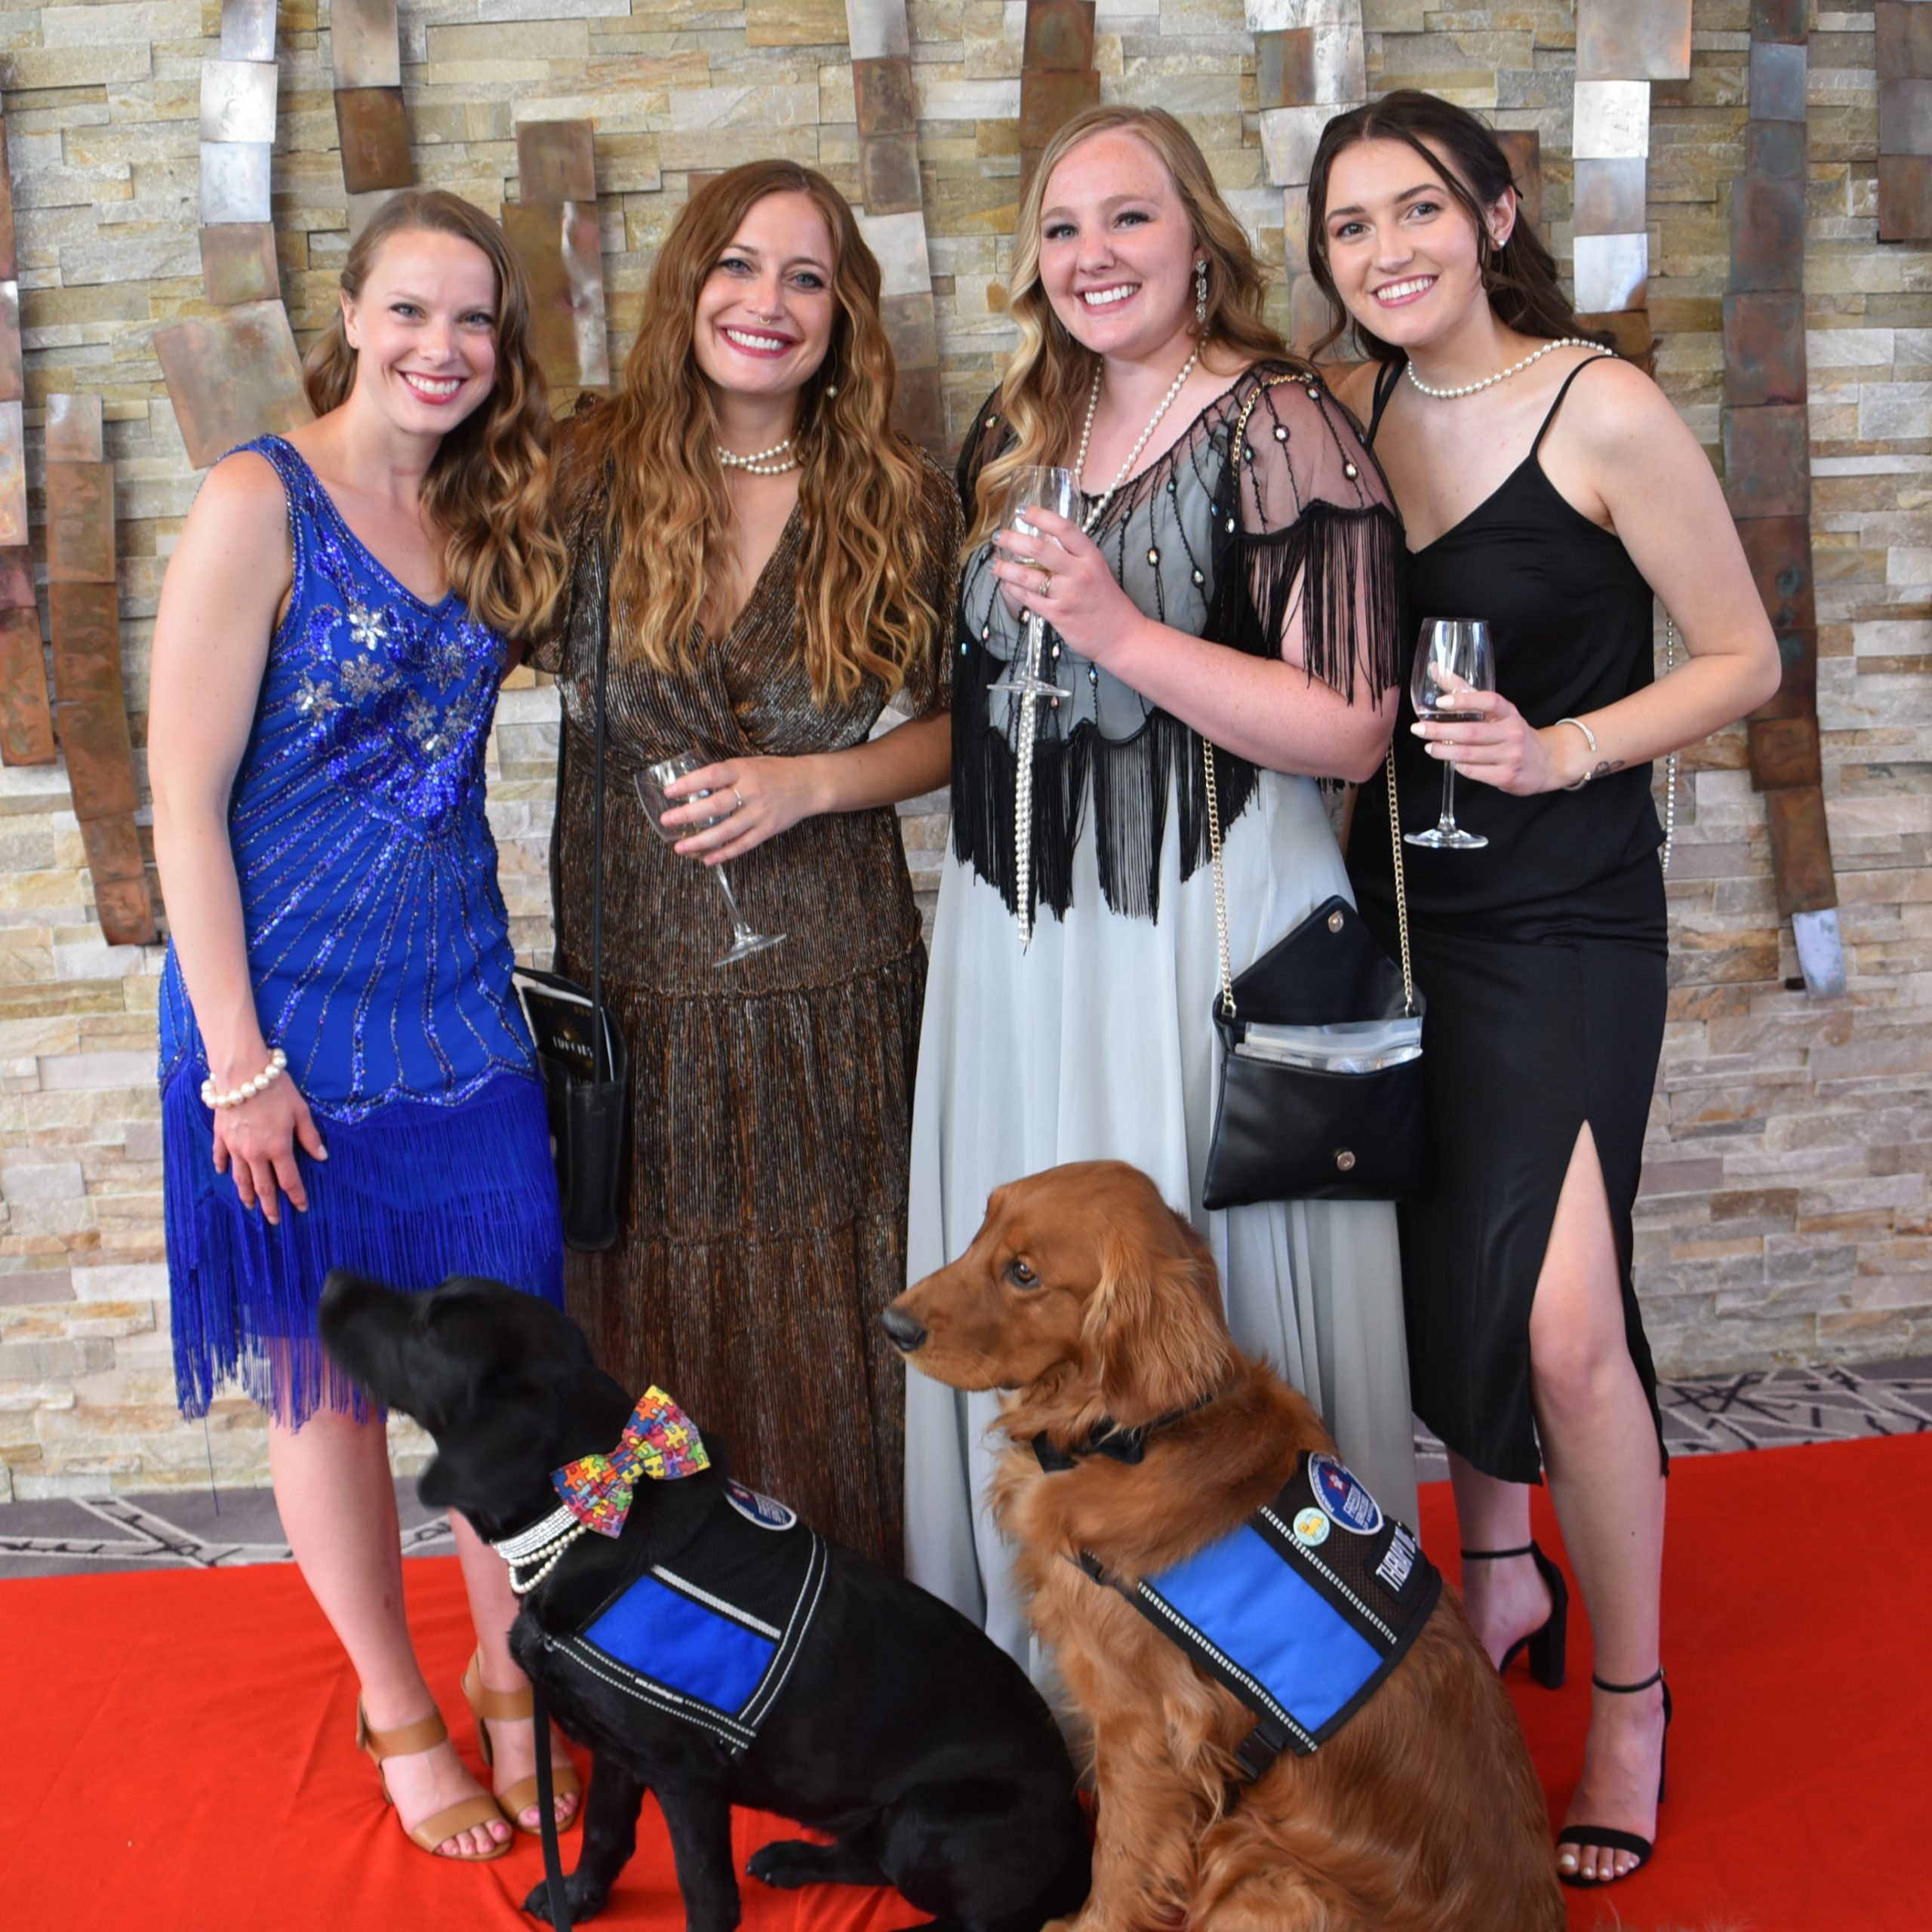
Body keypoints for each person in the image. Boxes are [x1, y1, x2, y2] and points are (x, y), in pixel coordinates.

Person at [1309, 91, 1783, 1887]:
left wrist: (1562, 747)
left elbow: (1742, 657)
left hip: (1567, 918)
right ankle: (1497, 1572)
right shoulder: (1341, 411)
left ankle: (1630, 1698)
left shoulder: (1601, 407)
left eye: (1418, 209)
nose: (1386, 252)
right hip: (1396, 909)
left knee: (1569, 1323)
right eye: (1349, 226)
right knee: (1451, 1282)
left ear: (1494, 215)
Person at [903, 103, 1419, 1675]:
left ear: (1199, 239)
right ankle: (1054, 1660)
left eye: (1128, 218)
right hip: (1017, 929)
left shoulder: (1278, 421)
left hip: (1193, 912)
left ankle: (1265, 1663)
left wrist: (1120, 632)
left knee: (1193, 1272)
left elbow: (1352, 724)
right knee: (1033, 1272)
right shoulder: (1020, 428)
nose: (1092, 256)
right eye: (1061, 229)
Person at [152, 191, 580, 1861]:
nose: (441, 347)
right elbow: (183, 804)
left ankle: (515, 1680)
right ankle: (398, 1709)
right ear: (349, 315)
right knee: (326, 1388)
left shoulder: (496, 506)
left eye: (474, 320)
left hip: (460, 1006)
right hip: (283, 1030)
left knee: (504, 1369)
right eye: (410, 310)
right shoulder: (257, 499)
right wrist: (236, 1063)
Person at [534, 161, 958, 1569]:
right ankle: (659, 1624)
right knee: (646, 1335)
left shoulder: (902, 498)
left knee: (840, 1330)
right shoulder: (583, 476)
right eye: (737, 264)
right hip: (638, 1005)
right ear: (688, 282)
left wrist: (816, 781)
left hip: (839, 994)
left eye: (806, 277)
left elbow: (977, 726)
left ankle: (854, 1617)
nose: (766, 301)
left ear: (844, 314)